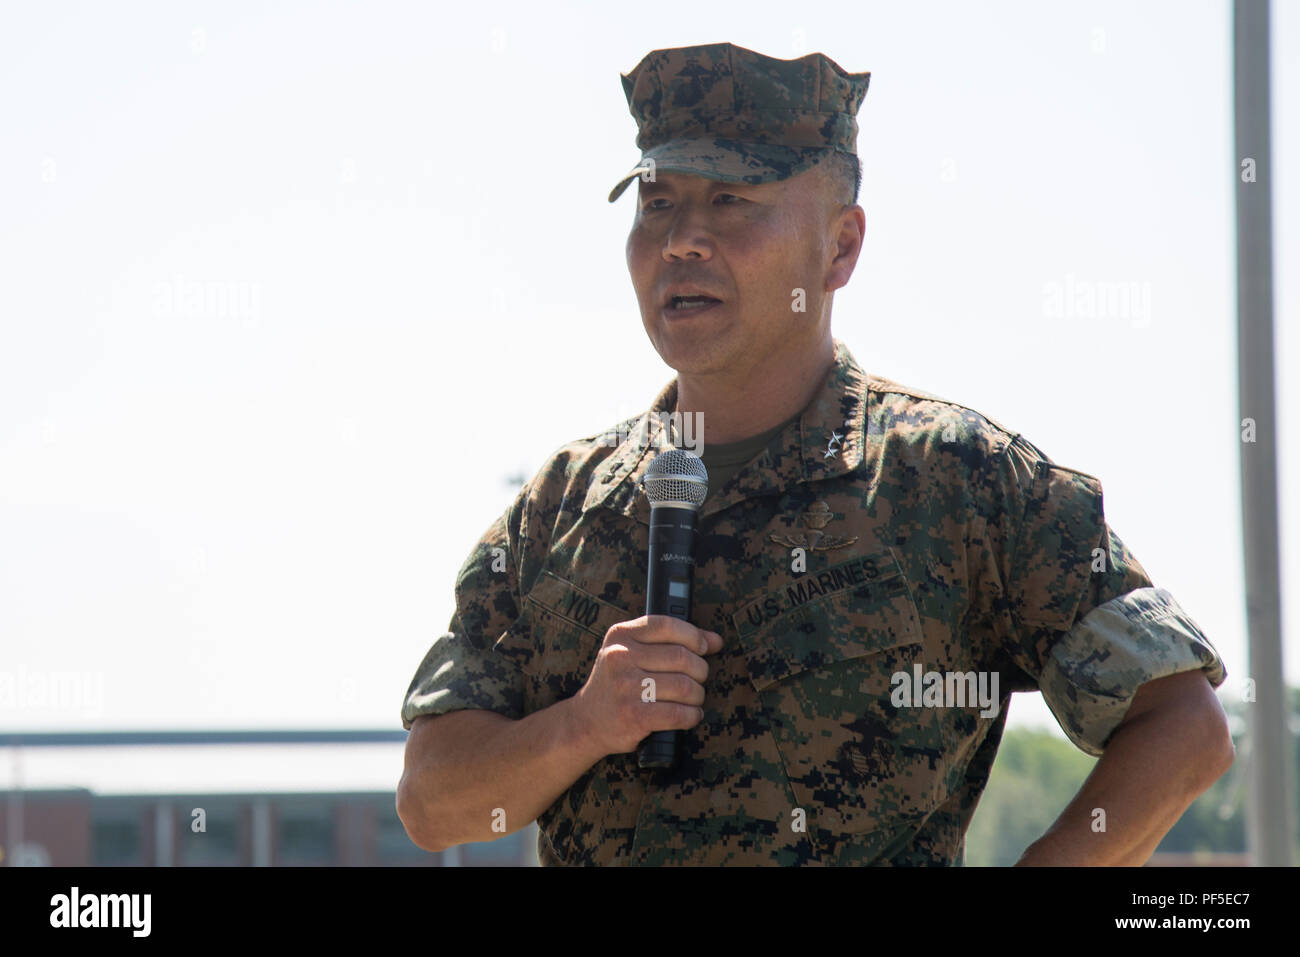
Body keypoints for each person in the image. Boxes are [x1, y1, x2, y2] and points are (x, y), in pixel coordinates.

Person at [396, 42, 1231, 866]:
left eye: (731, 199)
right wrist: (581, 723)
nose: (683, 239)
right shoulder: (562, 507)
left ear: (840, 247)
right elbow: (435, 802)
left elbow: (1182, 727)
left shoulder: (954, 479)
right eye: (656, 203)